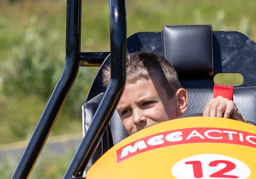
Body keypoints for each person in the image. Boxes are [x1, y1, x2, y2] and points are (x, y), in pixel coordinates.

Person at [99, 51, 243, 137]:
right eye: (125, 112)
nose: (137, 119)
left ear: (180, 101)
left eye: (147, 103)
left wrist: (237, 129)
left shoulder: (208, 142)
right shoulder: (119, 166)